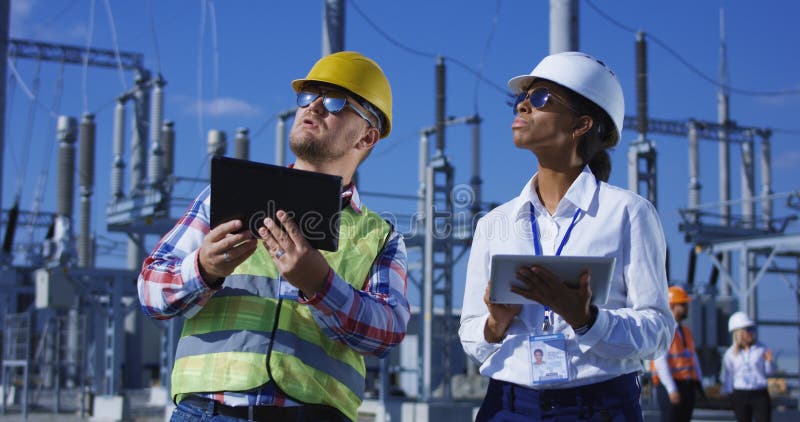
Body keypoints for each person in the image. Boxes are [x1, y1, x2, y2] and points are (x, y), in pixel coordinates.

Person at [138, 51, 410, 422]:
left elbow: (388, 332)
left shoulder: (380, 236)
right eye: (308, 95)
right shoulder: (224, 197)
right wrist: (203, 268)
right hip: (209, 412)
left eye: (335, 101)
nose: (313, 106)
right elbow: (150, 292)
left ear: (367, 136)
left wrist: (321, 285)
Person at [459, 51, 675, 421]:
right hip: (507, 407)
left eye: (541, 98)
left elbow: (658, 332)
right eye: (523, 97)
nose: (523, 105)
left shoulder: (629, 214)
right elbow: (470, 333)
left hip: (600, 407)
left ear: (581, 124)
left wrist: (587, 319)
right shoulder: (494, 223)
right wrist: (495, 325)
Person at [650, 286, 703, 422]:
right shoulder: (664, 330)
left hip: (686, 386)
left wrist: (699, 383)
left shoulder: (686, 332)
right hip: (670, 386)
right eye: (683, 304)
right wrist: (671, 389)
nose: (687, 308)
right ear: (672, 306)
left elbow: (693, 359)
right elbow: (660, 363)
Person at [721, 311, 774, 422]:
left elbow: (769, 373)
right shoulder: (730, 354)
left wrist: (769, 362)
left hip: (759, 393)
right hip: (740, 394)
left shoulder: (761, 349)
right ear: (739, 332)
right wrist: (729, 394)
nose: (751, 332)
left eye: (752, 329)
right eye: (748, 329)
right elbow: (727, 376)